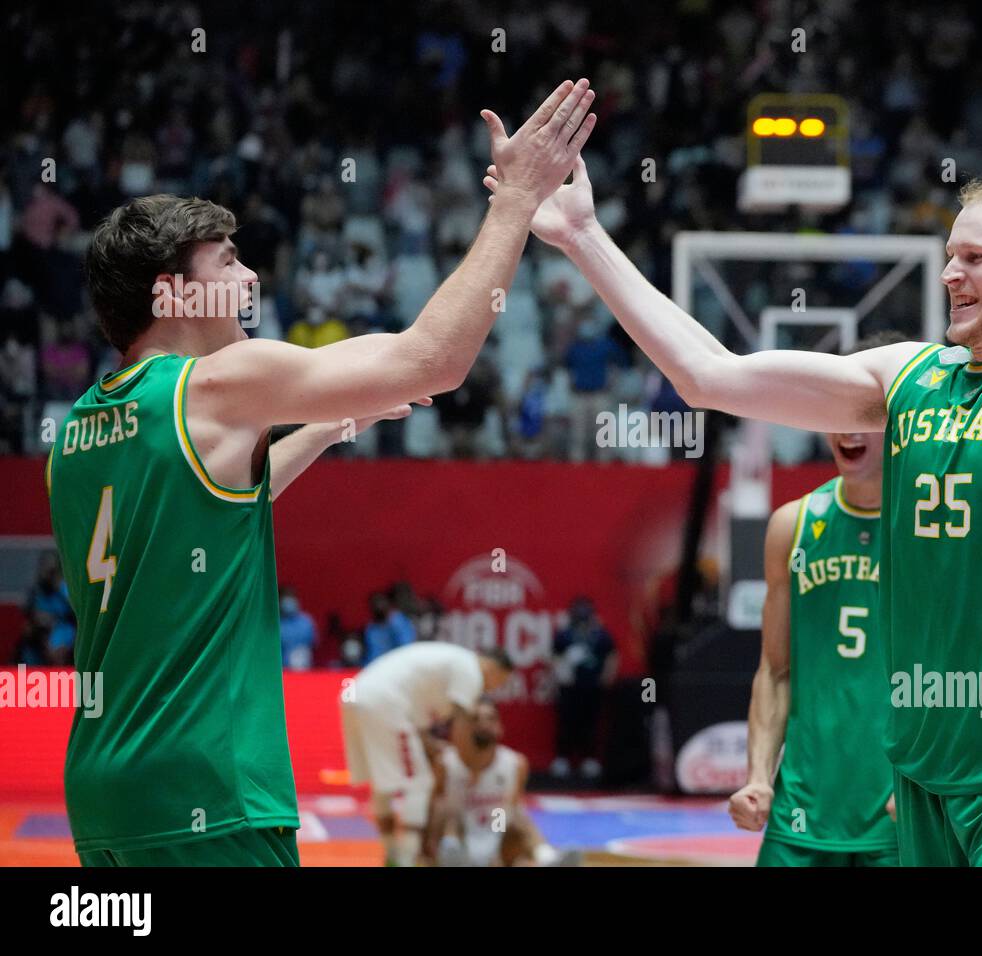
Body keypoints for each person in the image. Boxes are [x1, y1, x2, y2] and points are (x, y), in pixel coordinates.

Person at [485, 159, 982, 865]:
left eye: (976, 259)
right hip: (921, 767)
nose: (951, 274)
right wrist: (584, 236)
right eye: (950, 255)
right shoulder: (906, 376)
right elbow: (707, 375)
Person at [47, 79, 597, 867]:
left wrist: (331, 426)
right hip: (211, 787)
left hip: (104, 791)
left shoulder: (77, 432)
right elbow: (433, 360)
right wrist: (513, 201)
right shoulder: (216, 384)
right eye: (229, 262)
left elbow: (220, 509)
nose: (249, 281)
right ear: (171, 290)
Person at [730, 332, 904, 867]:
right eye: (837, 409)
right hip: (801, 813)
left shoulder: (929, 526)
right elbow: (776, 671)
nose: (847, 428)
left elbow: (964, 664)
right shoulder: (794, 525)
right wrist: (759, 775)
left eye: (864, 412)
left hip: (897, 813)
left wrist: (931, 776)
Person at [339, 644, 514, 867]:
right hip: (385, 703)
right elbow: (461, 726)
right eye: (500, 680)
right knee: (420, 784)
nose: (494, 687)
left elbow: (419, 728)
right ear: (492, 667)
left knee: (381, 785)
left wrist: (433, 745)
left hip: (356, 696)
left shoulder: (449, 663)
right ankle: (406, 859)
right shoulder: (471, 671)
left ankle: (391, 852)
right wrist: (468, 766)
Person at [424, 697, 574, 866]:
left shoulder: (515, 763)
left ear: (500, 727)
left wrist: (498, 838)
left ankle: (546, 858)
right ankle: (450, 853)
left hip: (495, 829)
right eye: (476, 719)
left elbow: (509, 808)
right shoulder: (446, 762)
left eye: (490, 718)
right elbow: (433, 807)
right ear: (464, 727)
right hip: (459, 836)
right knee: (446, 814)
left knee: (518, 816)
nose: (483, 724)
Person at [550, 596, 617, 780]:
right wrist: (560, 675)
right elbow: (555, 657)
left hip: (593, 687)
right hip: (570, 687)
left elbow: (611, 655)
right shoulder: (564, 634)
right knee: (567, 722)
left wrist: (607, 677)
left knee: (591, 723)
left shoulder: (601, 635)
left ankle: (590, 759)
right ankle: (563, 758)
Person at [278, 586, 317, 671]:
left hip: (306, 670)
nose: (289, 600)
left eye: (291, 596)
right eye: (285, 597)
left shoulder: (306, 621)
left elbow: (314, 645)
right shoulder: (275, 624)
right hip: (282, 671)